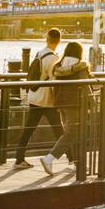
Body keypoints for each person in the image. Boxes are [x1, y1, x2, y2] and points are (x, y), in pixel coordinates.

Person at [13, 28, 62, 169]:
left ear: (47, 39)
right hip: (46, 100)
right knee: (59, 131)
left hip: (34, 97)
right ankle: (73, 158)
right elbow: (54, 82)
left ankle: (19, 159)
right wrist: (58, 101)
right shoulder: (53, 58)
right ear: (59, 41)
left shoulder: (39, 54)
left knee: (28, 130)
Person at [40, 41, 92, 176]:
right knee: (72, 132)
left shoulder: (59, 66)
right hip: (75, 103)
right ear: (79, 52)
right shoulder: (81, 67)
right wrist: (92, 103)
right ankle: (49, 158)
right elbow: (86, 87)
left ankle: (77, 162)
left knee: (72, 132)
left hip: (61, 103)